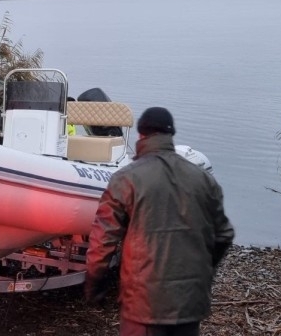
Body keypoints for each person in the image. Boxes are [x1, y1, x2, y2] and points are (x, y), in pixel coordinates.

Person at [84, 107, 235, 336]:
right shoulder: (203, 179)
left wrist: (94, 285)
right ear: (171, 135)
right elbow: (224, 235)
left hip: (143, 305)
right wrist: (204, 272)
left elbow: (103, 239)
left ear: (141, 136)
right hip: (189, 302)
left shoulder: (126, 179)